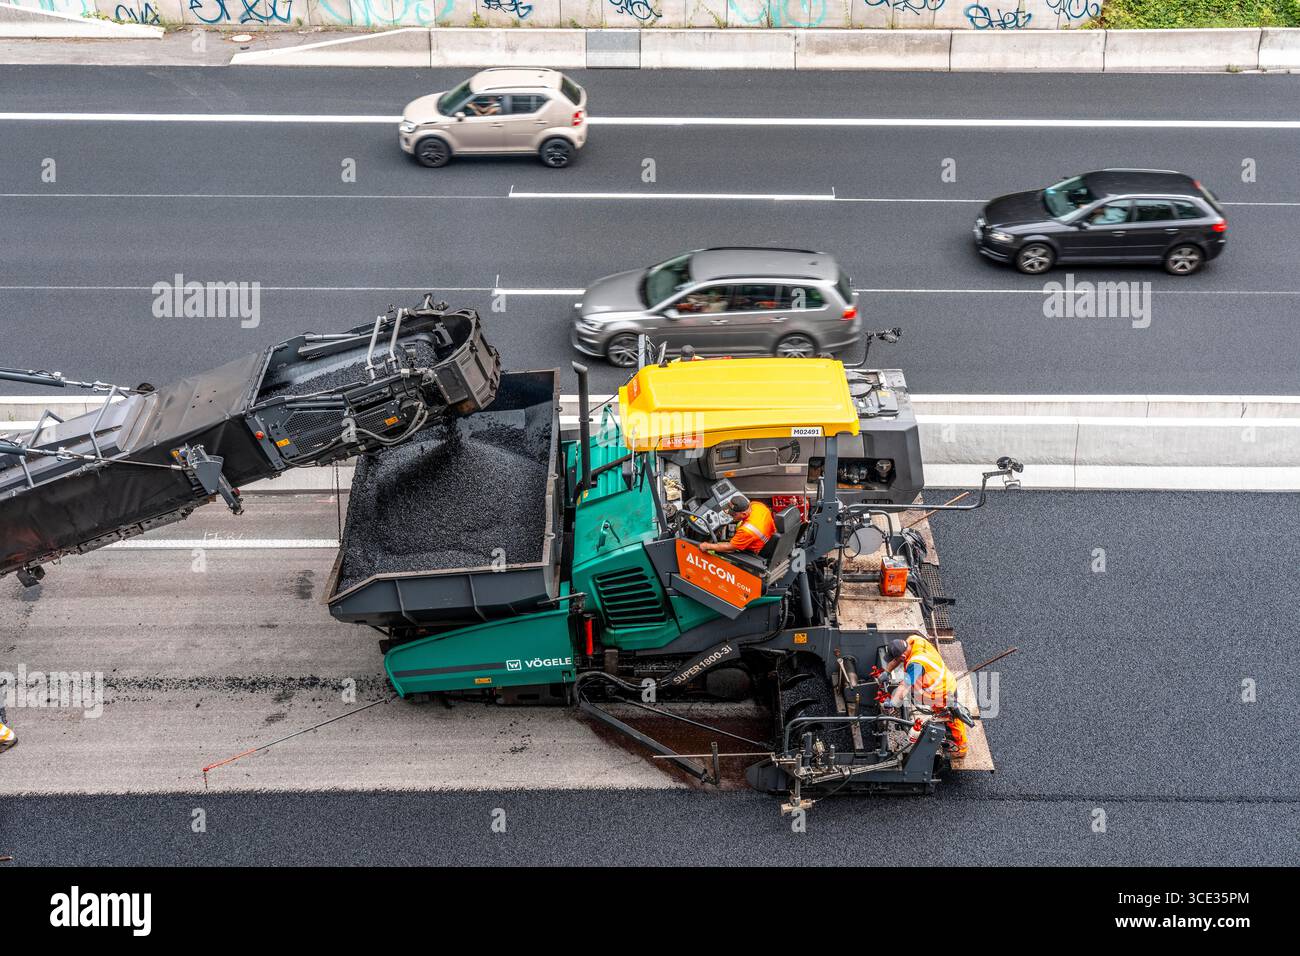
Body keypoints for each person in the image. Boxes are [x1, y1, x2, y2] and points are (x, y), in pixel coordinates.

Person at [880, 633, 966, 758]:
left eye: (897, 658)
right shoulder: (913, 640)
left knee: (951, 718)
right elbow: (897, 659)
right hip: (941, 679)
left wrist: (893, 703)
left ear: (903, 656)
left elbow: (904, 686)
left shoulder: (916, 664)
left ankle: (961, 748)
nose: (895, 661)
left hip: (942, 691)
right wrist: (887, 672)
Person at [699, 494, 775, 556]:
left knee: (713, 553)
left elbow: (730, 548)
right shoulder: (757, 505)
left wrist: (707, 546)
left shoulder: (747, 530)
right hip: (767, 535)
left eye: (733, 515)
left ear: (744, 514)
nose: (731, 516)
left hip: (753, 552)